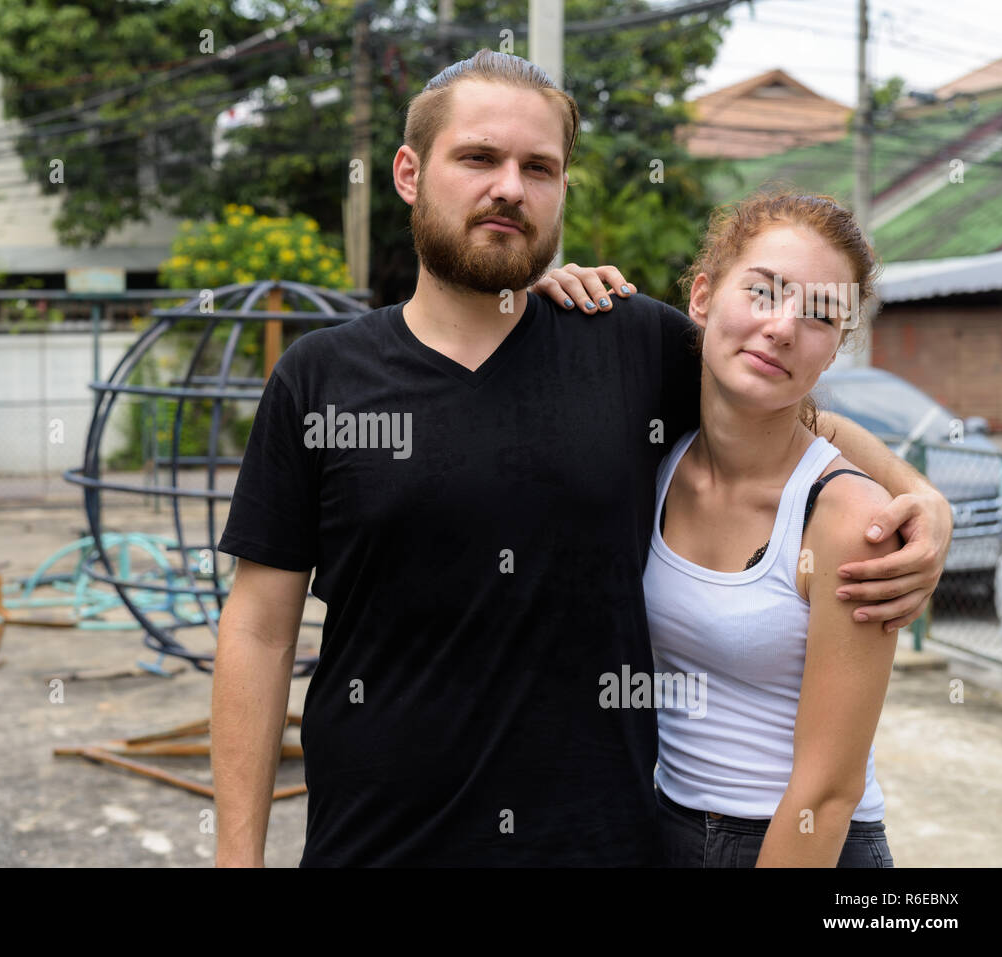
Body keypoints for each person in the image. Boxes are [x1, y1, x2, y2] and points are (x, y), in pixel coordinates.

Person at [210, 49, 951, 867]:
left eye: (540, 167)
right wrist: (237, 858)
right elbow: (258, 632)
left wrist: (919, 493)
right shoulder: (318, 377)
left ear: (562, 189)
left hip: (602, 846)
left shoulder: (632, 342)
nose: (509, 188)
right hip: (374, 845)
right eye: (479, 158)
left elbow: (782, 407)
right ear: (410, 173)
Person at [655, 192, 899, 866]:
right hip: (663, 822)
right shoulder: (655, 457)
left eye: (822, 315)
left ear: (833, 351)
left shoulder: (848, 519)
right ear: (703, 297)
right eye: (764, 291)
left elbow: (827, 793)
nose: (784, 327)